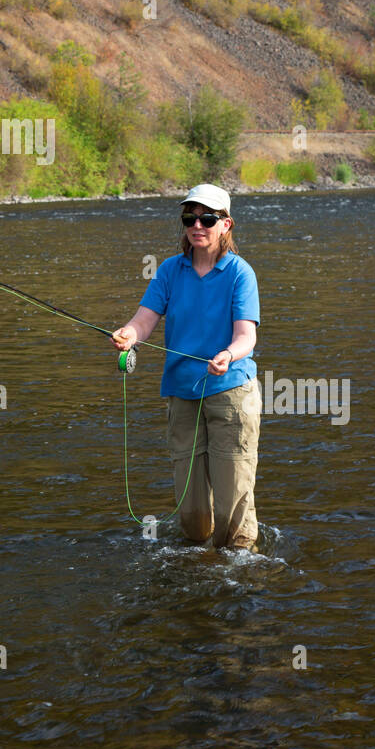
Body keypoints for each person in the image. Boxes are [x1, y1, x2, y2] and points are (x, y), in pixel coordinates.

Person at [112, 183, 262, 551]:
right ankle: (200, 560)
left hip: (231, 394)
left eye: (207, 218)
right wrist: (129, 334)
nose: (198, 225)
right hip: (183, 394)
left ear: (226, 224)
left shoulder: (240, 273)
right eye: (190, 217)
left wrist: (228, 354)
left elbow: (247, 337)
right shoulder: (169, 271)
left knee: (233, 501)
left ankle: (241, 567)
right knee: (193, 514)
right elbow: (144, 320)